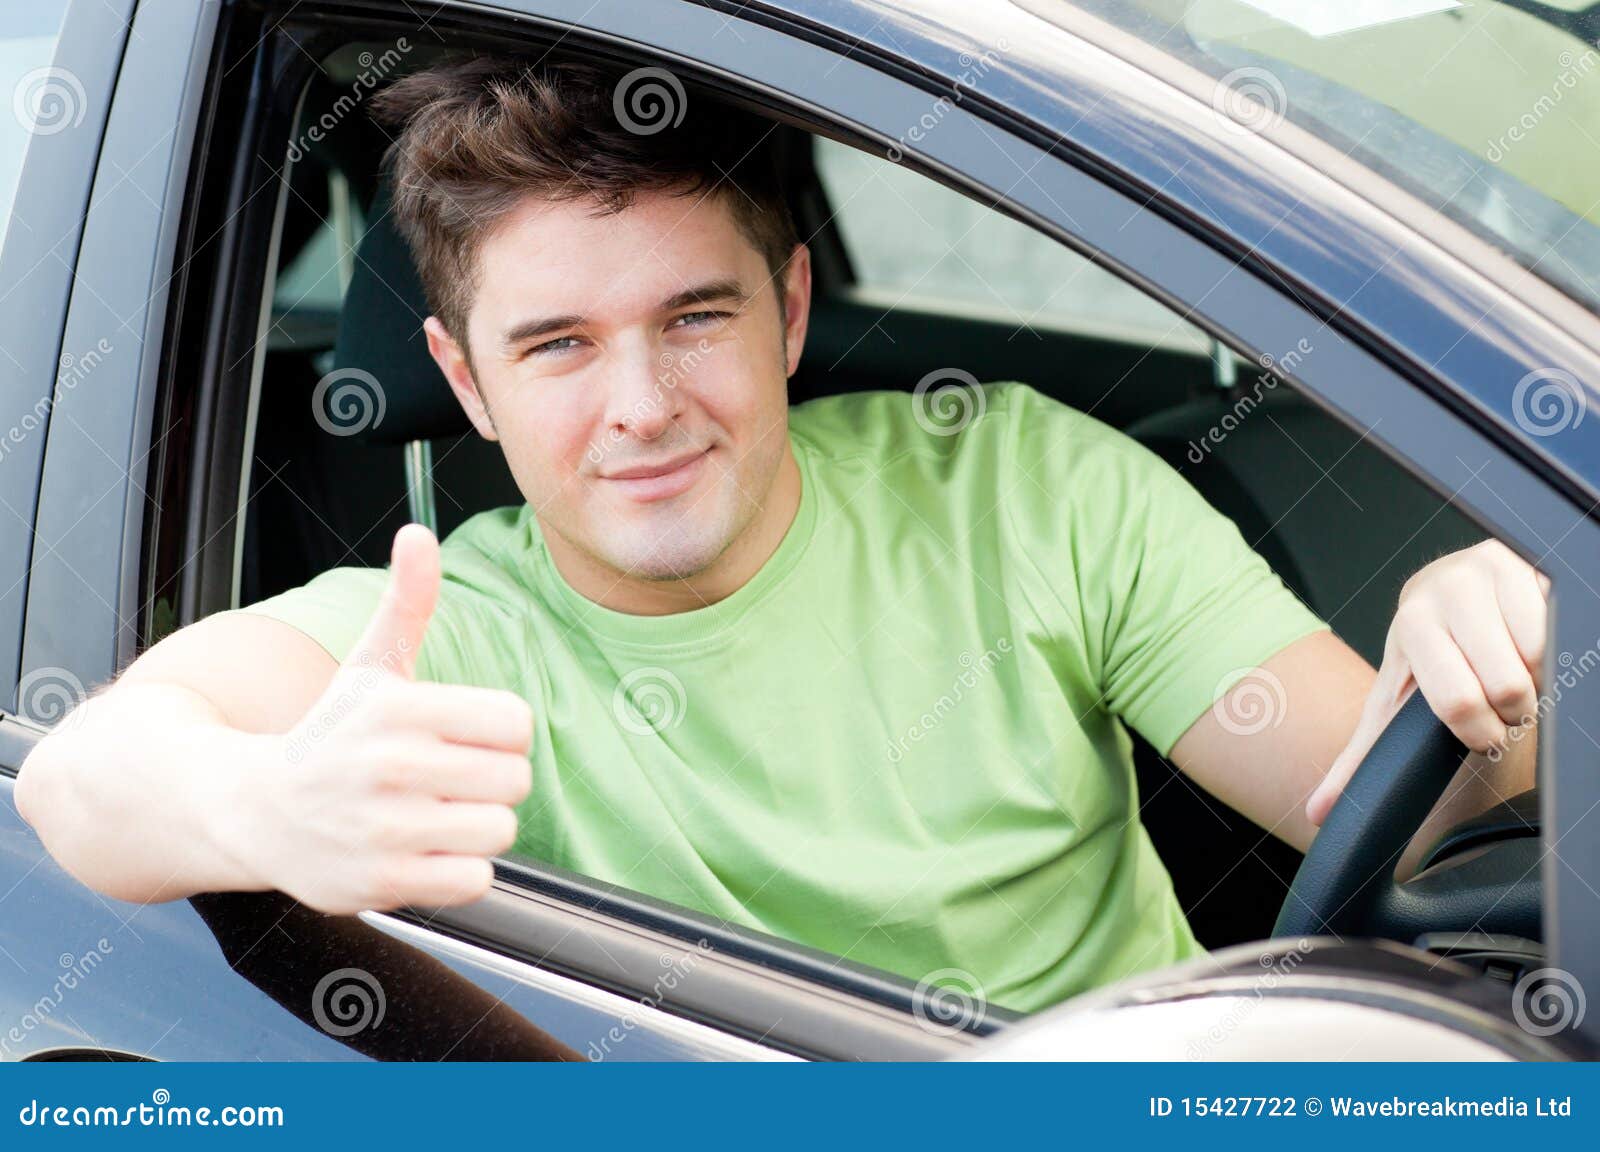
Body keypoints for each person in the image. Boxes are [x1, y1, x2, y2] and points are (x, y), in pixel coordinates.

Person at [14, 59, 1544, 1013]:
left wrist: (1488, 652)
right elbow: (84, 776)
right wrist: (267, 805)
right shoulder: (442, 629)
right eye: (556, 348)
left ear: (792, 310)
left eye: (695, 316)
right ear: (467, 381)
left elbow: (1399, 811)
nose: (642, 406)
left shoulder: (1027, 486)